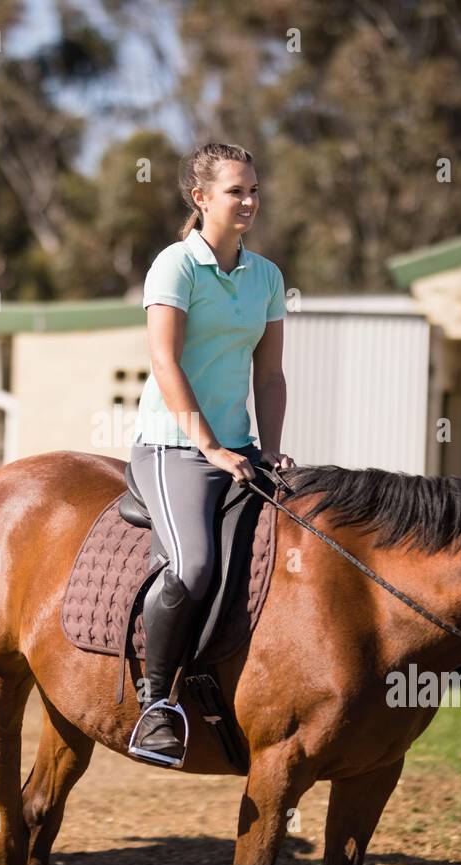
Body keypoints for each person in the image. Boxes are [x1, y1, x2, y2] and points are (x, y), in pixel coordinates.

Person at [127, 142, 294, 768]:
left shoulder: (269, 277)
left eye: (254, 189)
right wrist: (210, 446)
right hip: (174, 447)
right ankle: (155, 704)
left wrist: (268, 449)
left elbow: (270, 375)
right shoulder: (176, 266)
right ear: (201, 199)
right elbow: (165, 362)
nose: (249, 201)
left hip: (243, 448)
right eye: (236, 191)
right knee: (192, 566)